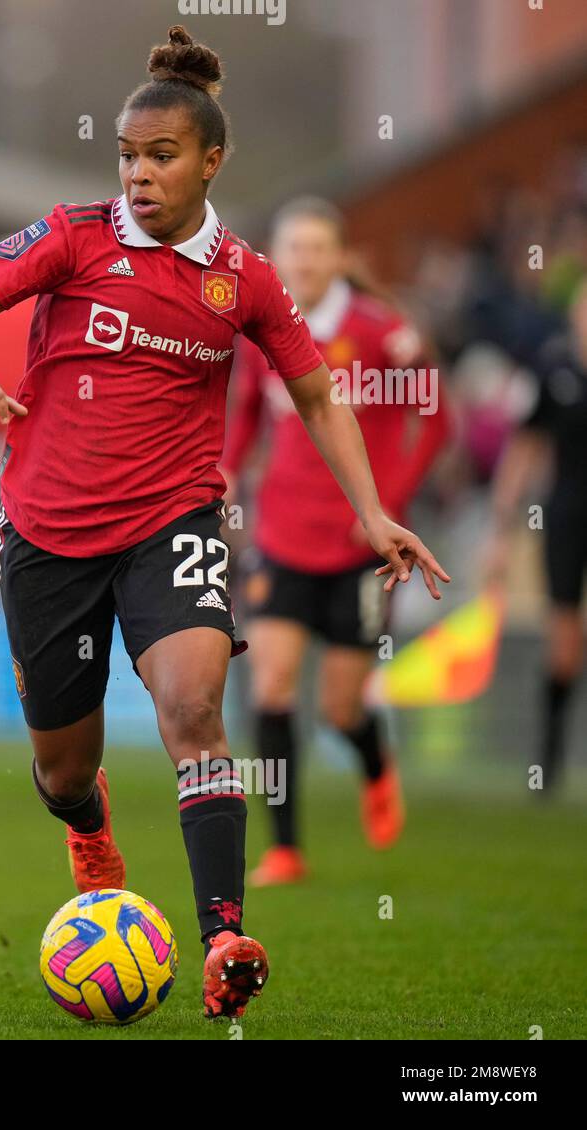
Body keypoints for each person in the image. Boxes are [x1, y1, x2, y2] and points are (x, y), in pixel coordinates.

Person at [0, 27, 449, 1019]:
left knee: (194, 709)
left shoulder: (244, 278)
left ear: (210, 160)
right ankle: (90, 832)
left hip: (173, 522)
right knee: (61, 767)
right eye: (126, 155)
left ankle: (223, 939)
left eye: (159, 156)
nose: (137, 174)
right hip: (45, 535)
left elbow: (319, 395)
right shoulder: (71, 235)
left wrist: (373, 511)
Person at [220, 197, 450, 886]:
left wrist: (385, 504)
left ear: (342, 257)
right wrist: (226, 471)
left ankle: (376, 767)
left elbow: (436, 422)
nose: (305, 261)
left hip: (356, 548)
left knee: (340, 709)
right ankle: (286, 849)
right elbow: (248, 414)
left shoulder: (385, 334)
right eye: (294, 249)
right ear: (277, 257)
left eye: (319, 249)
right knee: (271, 686)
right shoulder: (263, 332)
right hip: (281, 538)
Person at [483, 277, 587, 796]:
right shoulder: (554, 371)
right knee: (564, 644)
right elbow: (524, 449)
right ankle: (547, 767)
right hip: (567, 517)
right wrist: (502, 526)